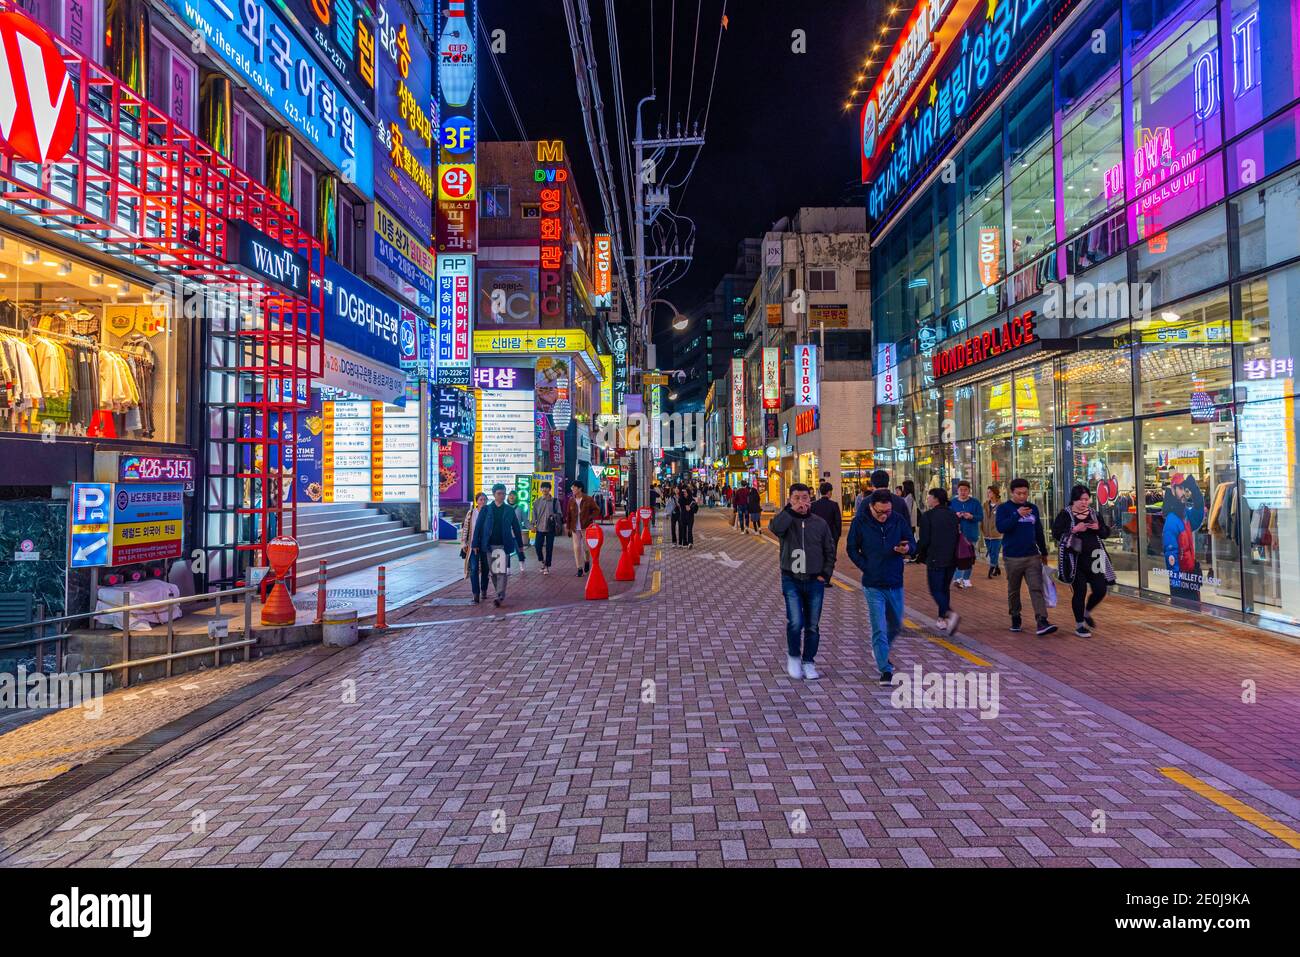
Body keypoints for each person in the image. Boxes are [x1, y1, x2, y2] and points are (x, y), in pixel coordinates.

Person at [846, 489, 917, 686]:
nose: (884, 515)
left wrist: (907, 549)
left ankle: (880, 650)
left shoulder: (898, 519)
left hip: (895, 581)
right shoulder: (860, 522)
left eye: (887, 510)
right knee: (879, 627)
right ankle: (884, 668)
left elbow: (912, 542)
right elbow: (851, 548)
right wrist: (865, 565)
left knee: (895, 626)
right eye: (880, 512)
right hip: (873, 583)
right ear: (871, 507)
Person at [770, 483, 836, 681]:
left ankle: (808, 662)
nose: (801, 502)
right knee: (796, 621)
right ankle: (793, 656)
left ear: (811, 499)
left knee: (812, 625)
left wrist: (825, 574)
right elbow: (775, 527)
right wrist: (790, 511)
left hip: (815, 580)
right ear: (790, 499)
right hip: (791, 578)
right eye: (796, 498)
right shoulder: (786, 520)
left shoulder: (820, 523)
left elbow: (829, 550)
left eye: (805, 498)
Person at [1052, 484, 1117, 637]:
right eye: (1081, 499)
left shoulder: (1094, 513)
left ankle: (1087, 612)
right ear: (1074, 500)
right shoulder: (1065, 514)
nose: (1084, 503)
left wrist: (1098, 528)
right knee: (1080, 591)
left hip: (1095, 557)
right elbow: (1056, 533)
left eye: (1087, 499)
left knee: (1101, 589)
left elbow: (1105, 533)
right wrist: (1074, 530)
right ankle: (1079, 624)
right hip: (1074, 559)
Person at [995, 477, 1057, 635]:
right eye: (1019, 493)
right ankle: (1015, 616)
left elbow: (1038, 531)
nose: (1022, 497)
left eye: (1025, 493)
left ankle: (1042, 620)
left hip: (1032, 556)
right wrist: (1016, 515)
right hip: (1012, 557)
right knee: (1014, 590)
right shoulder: (1004, 508)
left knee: (1036, 588)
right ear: (1012, 493)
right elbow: (1001, 527)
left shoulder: (1033, 508)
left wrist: (1043, 552)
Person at [471, 483, 526, 607]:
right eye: (499, 493)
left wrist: (520, 544)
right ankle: (499, 592)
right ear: (494, 494)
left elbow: (516, 527)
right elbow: (478, 527)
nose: (502, 496)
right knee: (493, 572)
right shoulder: (486, 509)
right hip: (489, 545)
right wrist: (475, 543)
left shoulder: (509, 510)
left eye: (503, 493)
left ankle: (500, 595)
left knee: (500, 571)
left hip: (503, 544)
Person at [916, 487, 961, 634]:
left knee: (935, 589)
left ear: (935, 499)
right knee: (944, 588)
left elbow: (924, 540)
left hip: (935, 557)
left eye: (929, 496)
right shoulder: (953, 514)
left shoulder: (928, 516)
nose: (927, 499)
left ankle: (949, 613)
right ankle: (942, 619)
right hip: (952, 557)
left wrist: (916, 553)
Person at [950, 480, 983, 589]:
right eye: (961, 490)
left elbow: (981, 517)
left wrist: (971, 517)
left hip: (971, 534)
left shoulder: (975, 502)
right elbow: (948, 518)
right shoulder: (952, 502)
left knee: (969, 557)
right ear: (957, 491)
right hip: (956, 535)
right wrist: (956, 516)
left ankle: (966, 578)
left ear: (969, 491)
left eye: (965, 490)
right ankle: (957, 578)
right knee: (957, 557)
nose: (963, 492)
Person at [565, 480, 601, 576]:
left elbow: (597, 510)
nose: (572, 489)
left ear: (580, 488)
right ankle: (579, 568)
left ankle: (587, 561)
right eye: (572, 488)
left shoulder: (588, 499)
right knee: (576, 548)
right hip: (574, 528)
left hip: (586, 527)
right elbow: (568, 515)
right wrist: (568, 527)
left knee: (586, 548)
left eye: (574, 487)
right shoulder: (571, 500)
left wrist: (590, 517)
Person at [461, 492, 489, 603]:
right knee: (474, 569)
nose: (483, 502)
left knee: (485, 569)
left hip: (485, 546)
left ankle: (484, 590)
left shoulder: (489, 512)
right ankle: (475, 593)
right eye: (481, 499)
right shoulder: (471, 513)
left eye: (485, 500)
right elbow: (466, 528)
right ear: (477, 501)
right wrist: (464, 543)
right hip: (472, 546)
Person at [530, 481, 560, 575]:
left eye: (547, 487)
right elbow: (533, 515)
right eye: (543, 487)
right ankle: (542, 561)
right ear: (540, 489)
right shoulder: (537, 502)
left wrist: (554, 516)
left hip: (550, 528)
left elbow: (559, 513)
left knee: (549, 548)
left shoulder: (555, 501)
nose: (544, 489)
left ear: (550, 489)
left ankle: (547, 566)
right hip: (539, 528)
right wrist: (532, 526)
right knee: (537, 546)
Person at [810, 481, 843, 548]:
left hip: (817, 535)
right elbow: (838, 522)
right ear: (829, 492)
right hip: (831, 535)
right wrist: (837, 535)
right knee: (831, 555)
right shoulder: (834, 505)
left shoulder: (813, 505)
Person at [981, 484, 1004, 578]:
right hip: (986, 533)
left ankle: (991, 568)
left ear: (995, 493)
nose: (988, 493)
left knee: (994, 552)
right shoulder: (985, 504)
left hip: (997, 533)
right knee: (991, 552)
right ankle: (997, 568)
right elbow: (983, 518)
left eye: (989, 492)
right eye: (987, 492)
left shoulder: (1001, 506)